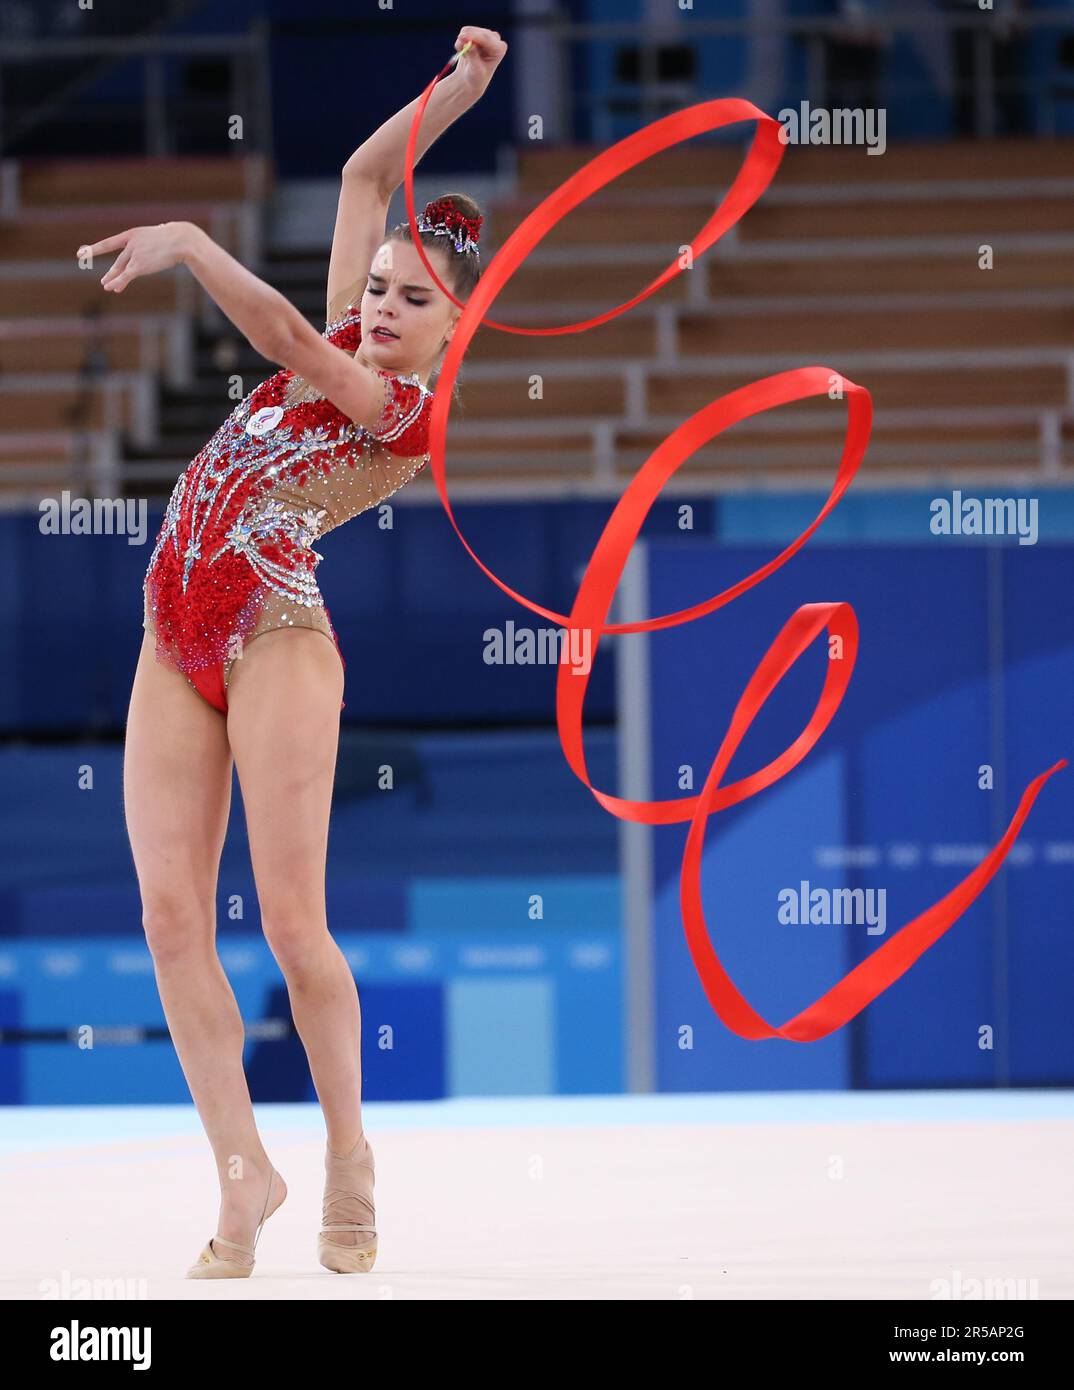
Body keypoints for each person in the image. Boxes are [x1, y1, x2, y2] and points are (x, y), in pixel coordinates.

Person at [83, 24, 507, 1278]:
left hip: (278, 636)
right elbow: (368, 185)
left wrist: (196, 240)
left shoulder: (403, 407)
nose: (379, 309)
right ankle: (242, 1177)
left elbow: (283, 343)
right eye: (376, 289)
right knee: (169, 919)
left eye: (411, 301)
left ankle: (349, 1156)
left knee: (288, 922)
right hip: (175, 632)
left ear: (455, 326)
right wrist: (459, 92)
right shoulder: (360, 322)